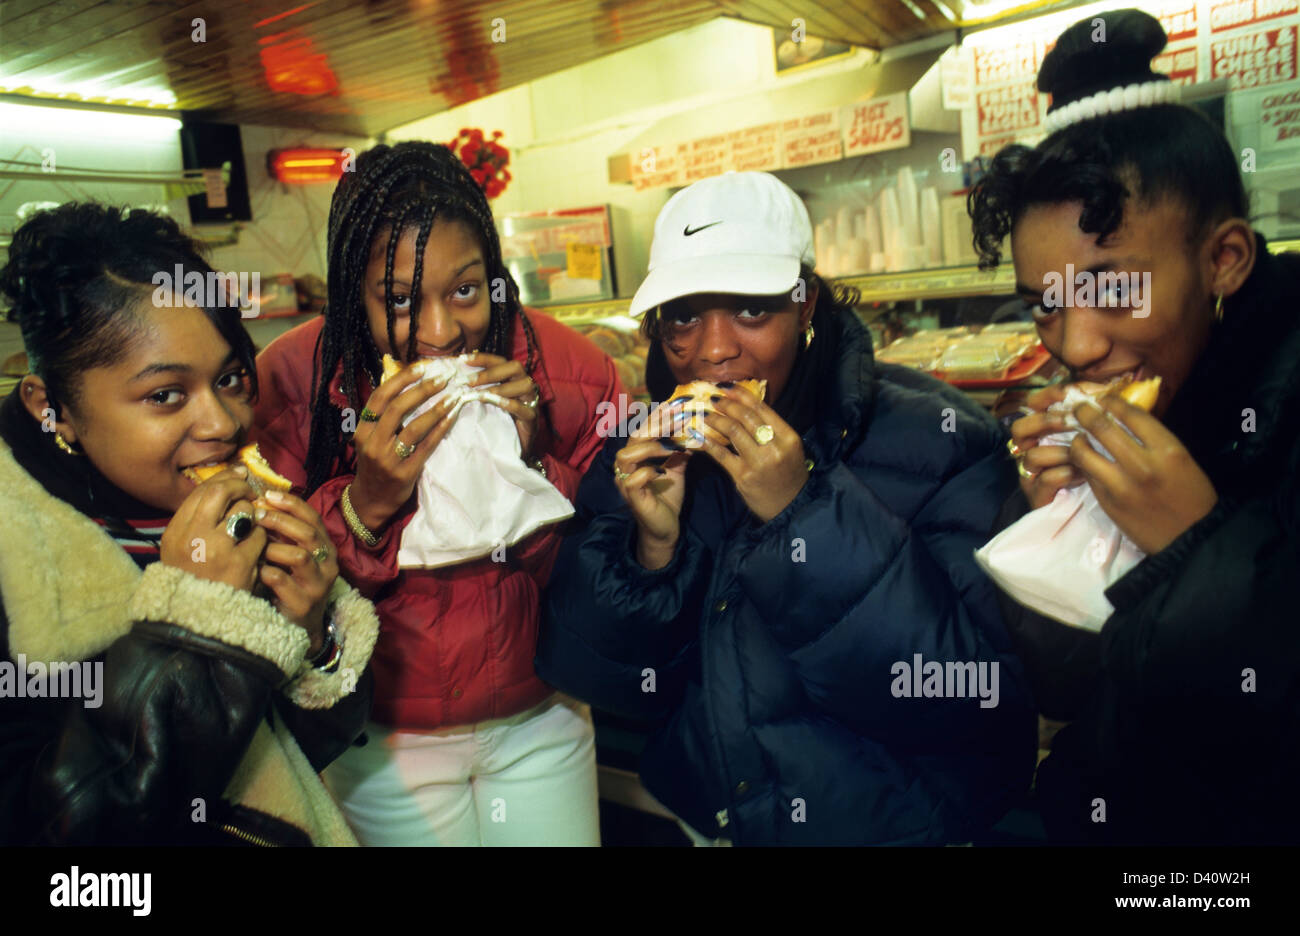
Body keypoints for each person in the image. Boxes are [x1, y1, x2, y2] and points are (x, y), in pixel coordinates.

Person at [535, 171, 1036, 846]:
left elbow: (970, 702)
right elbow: (599, 678)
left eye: (749, 309)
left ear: (806, 308)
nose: (713, 349)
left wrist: (802, 510)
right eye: (683, 316)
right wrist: (654, 551)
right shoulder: (646, 444)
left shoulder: (943, 441)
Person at [969, 8, 1300, 845]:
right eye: (1047, 304)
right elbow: (1065, 689)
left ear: (1223, 259)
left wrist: (1194, 545)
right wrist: (1049, 523)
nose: (1075, 346)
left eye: (1112, 290)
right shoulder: (1101, 406)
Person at [253, 141, 619, 846]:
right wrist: (366, 504)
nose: (441, 331)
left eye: (465, 290)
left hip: (543, 716)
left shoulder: (565, 368)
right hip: (384, 740)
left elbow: (611, 565)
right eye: (397, 299)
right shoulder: (292, 384)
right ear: (349, 290)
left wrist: (533, 463)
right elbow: (274, 593)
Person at [0, 203, 378, 846]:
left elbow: (287, 761)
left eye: (231, 379)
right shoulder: (18, 557)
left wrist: (316, 639)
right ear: (52, 409)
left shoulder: (240, 509)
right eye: (165, 395)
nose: (224, 423)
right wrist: (195, 622)